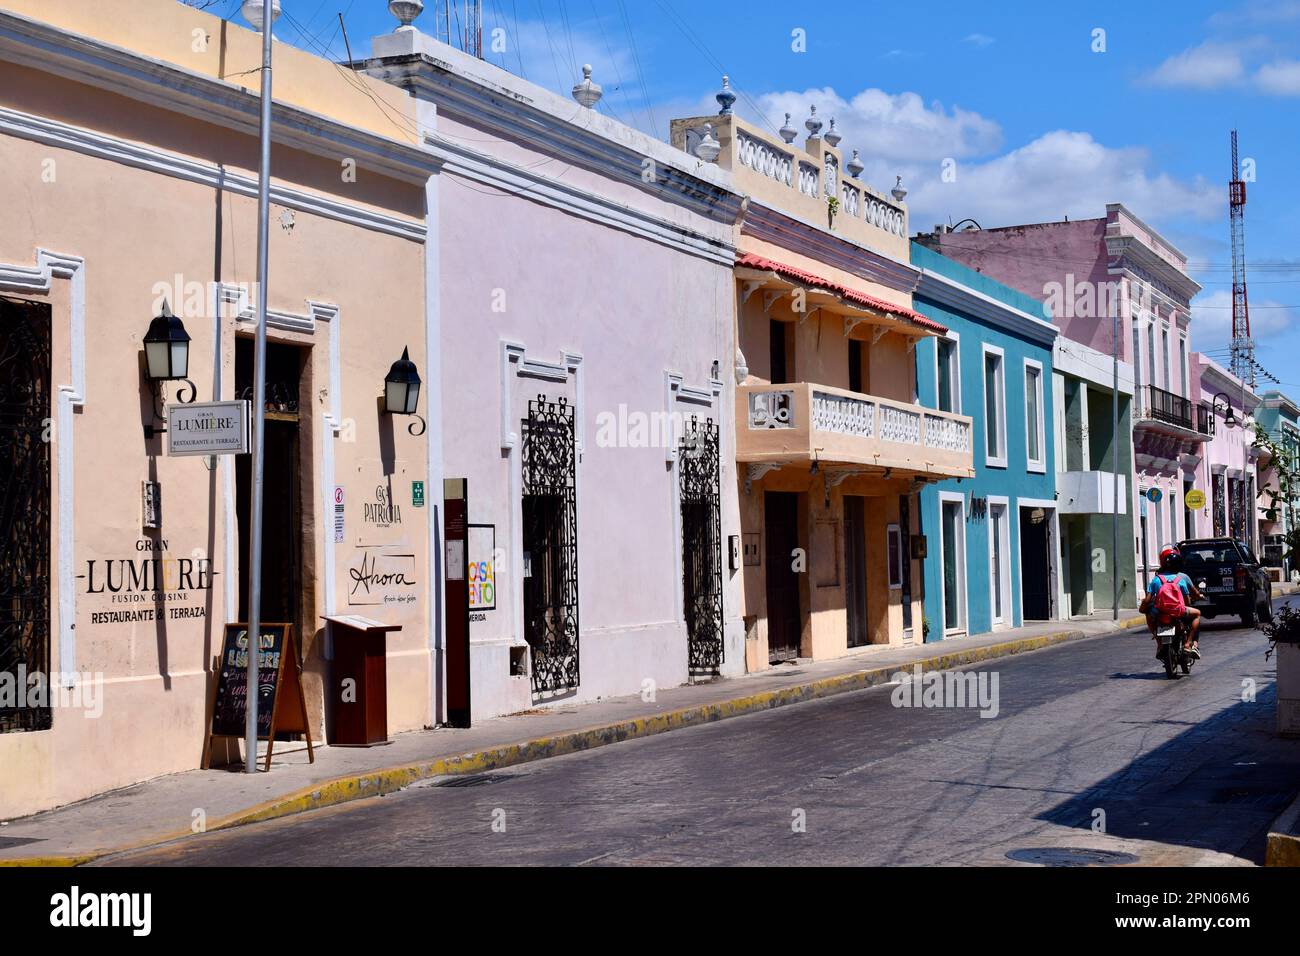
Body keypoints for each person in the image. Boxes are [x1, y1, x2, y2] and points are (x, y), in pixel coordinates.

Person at [1139, 545, 1203, 659]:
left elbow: (1147, 600)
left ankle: (1159, 644)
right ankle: (1188, 644)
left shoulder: (1156, 579)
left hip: (1160, 611)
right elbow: (1187, 602)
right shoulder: (1181, 579)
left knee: (1149, 615)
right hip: (1178, 611)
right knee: (1197, 613)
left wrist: (1143, 609)